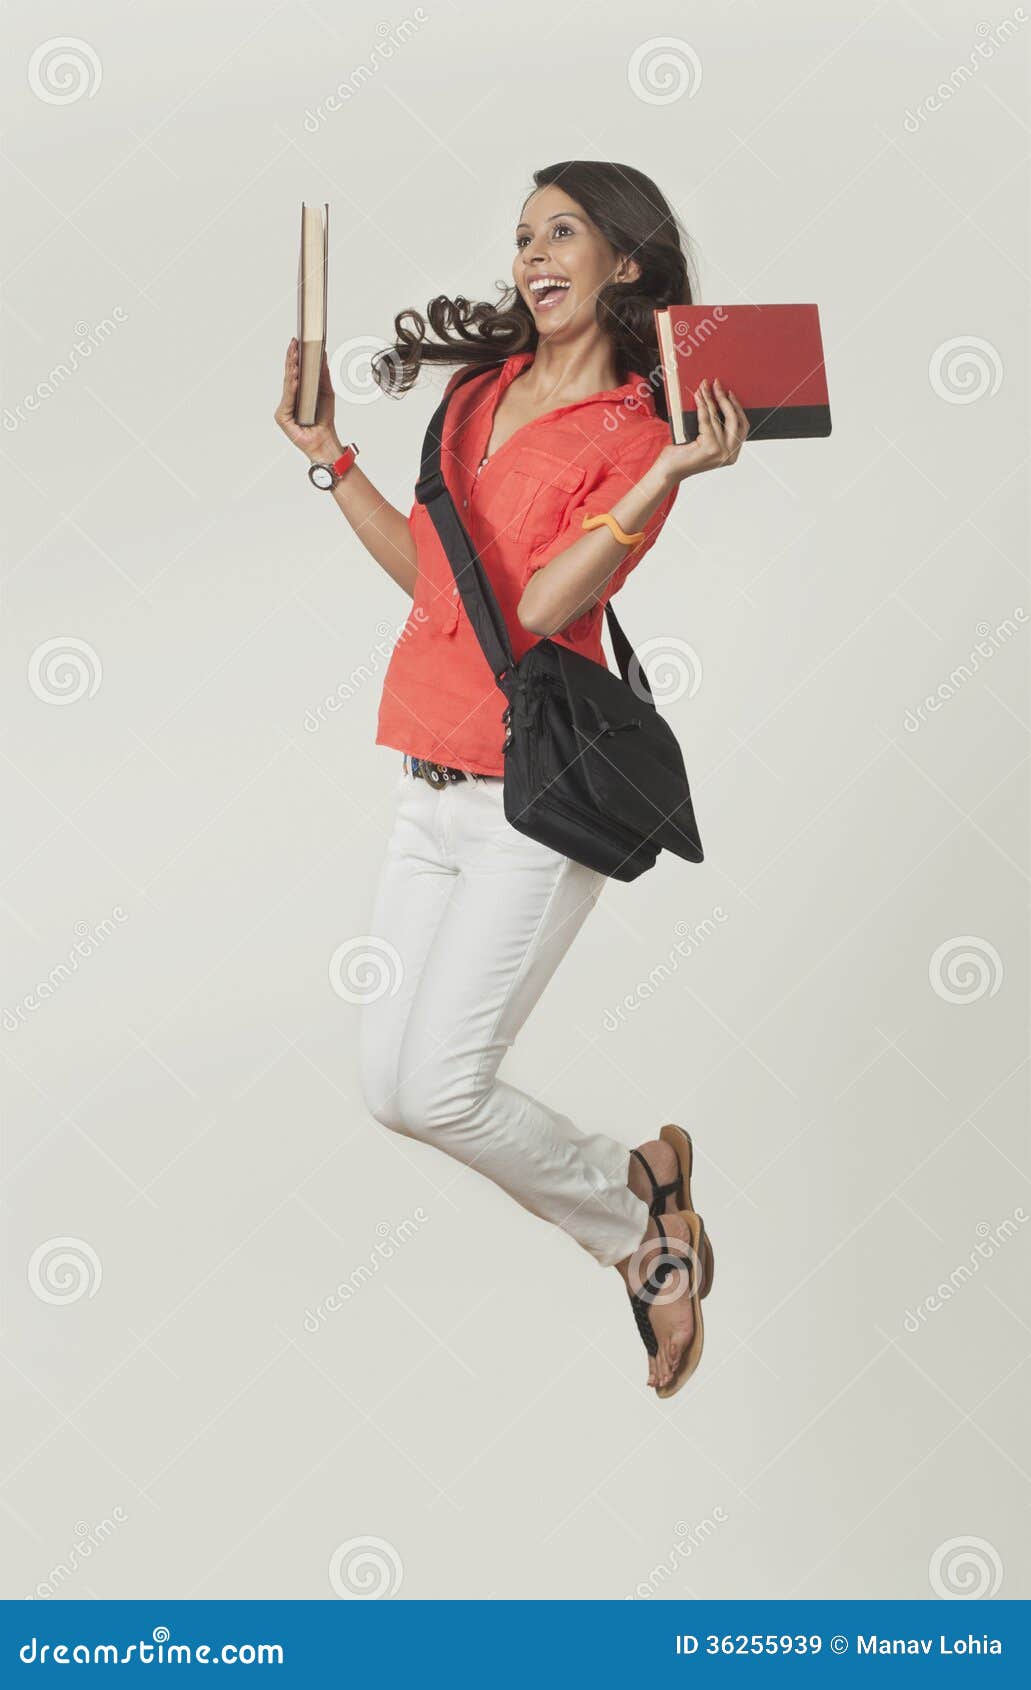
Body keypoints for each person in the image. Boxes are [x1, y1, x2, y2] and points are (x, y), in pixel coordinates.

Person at [275, 161, 749, 1395]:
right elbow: (439, 584)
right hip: (422, 779)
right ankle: (640, 1194)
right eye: (522, 236)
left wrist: (661, 479)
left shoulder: (642, 437)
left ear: (625, 263)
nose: (532, 255)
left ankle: (641, 1236)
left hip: (533, 804)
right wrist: (331, 460)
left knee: (439, 1082)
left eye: (563, 233)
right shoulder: (476, 393)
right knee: (393, 1089)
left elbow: (541, 608)